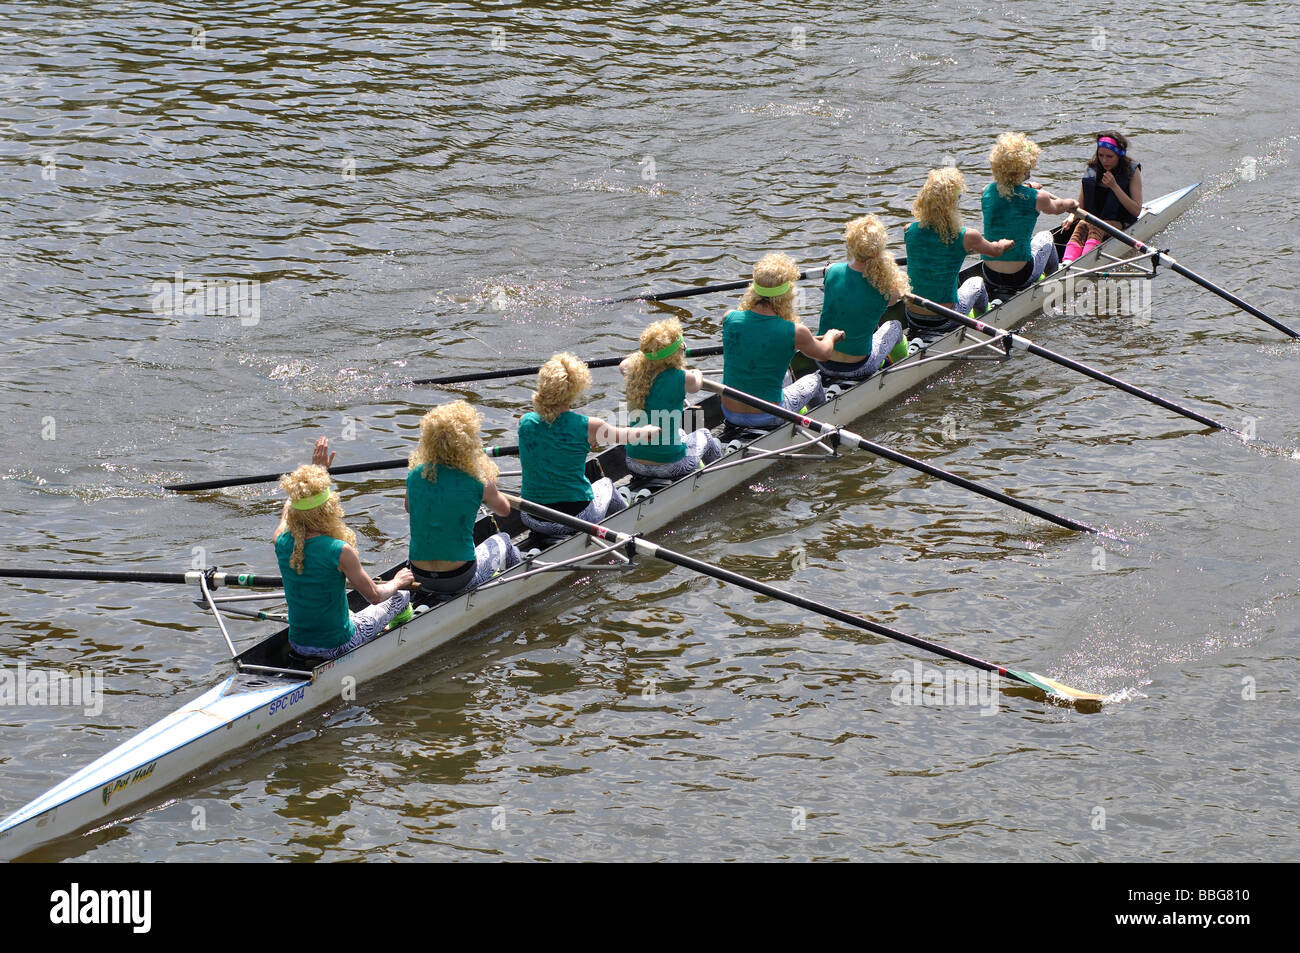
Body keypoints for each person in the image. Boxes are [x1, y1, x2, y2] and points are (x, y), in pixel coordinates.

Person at [275, 437, 413, 661]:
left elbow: (290, 507)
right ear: (329, 508)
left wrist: (313, 475)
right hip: (339, 645)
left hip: (298, 643)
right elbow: (376, 596)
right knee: (401, 596)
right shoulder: (339, 550)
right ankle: (403, 629)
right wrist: (397, 581)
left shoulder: (281, 540)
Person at [517, 352, 659, 537]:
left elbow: (545, 435)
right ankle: (630, 530)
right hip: (575, 518)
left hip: (531, 518)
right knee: (606, 484)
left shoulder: (524, 422)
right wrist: (650, 430)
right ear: (575, 389)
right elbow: (627, 436)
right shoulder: (588, 426)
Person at [405, 401, 522, 597]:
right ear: (469, 441)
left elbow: (409, 507)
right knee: (505, 540)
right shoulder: (478, 480)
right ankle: (521, 584)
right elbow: (504, 511)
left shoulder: (415, 475)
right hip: (459, 578)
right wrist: (487, 490)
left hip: (418, 574)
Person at [721, 252, 843, 427]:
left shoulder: (729, 318)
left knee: (783, 372)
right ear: (786, 295)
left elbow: (757, 336)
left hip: (729, 411)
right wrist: (831, 336)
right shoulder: (795, 332)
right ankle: (824, 426)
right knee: (814, 381)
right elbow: (824, 354)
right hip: (769, 415)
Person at [904, 166, 1014, 338]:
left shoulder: (909, 230)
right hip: (945, 319)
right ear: (952, 205)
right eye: (959, 198)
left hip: (912, 317)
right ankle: (987, 317)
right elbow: (995, 251)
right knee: (976, 283)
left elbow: (933, 251)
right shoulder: (967, 236)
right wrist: (1005, 243)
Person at [621, 318, 724, 480]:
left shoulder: (632, 370)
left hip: (633, 462)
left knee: (680, 431)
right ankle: (719, 472)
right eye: (682, 348)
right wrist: (697, 372)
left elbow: (624, 363)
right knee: (704, 434)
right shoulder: (684, 378)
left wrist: (648, 354)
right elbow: (696, 385)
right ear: (676, 354)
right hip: (671, 466)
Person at [980, 132, 1078, 298]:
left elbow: (1008, 191)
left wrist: (1027, 185)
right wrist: (1072, 204)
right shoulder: (1038, 197)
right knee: (1046, 236)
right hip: (1020, 276)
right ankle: (1055, 278)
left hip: (989, 274)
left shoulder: (986, 191)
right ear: (1024, 166)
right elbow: (1057, 208)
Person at [816, 215, 910, 378]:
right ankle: (906, 367)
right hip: (859, 367)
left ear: (851, 246)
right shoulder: (886, 285)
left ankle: (884, 361)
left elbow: (833, 270)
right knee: (894, 325)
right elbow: (894, 300)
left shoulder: (832, 272)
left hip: (822, 361)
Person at [1061, 131, 1144, 263]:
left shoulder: (1132, 172)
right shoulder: (1092, 169)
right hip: (1094, 220)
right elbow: (1081, 205)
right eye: (1101, 155)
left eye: (1110, 156)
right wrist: (1071, 217)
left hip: (1121, 222)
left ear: (1119, 155)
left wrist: (1114, 187)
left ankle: (1085, 263)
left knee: (1096, 226)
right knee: (1082, 224)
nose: (1104, 160)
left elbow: (1136, 210)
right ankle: (1067, 262)